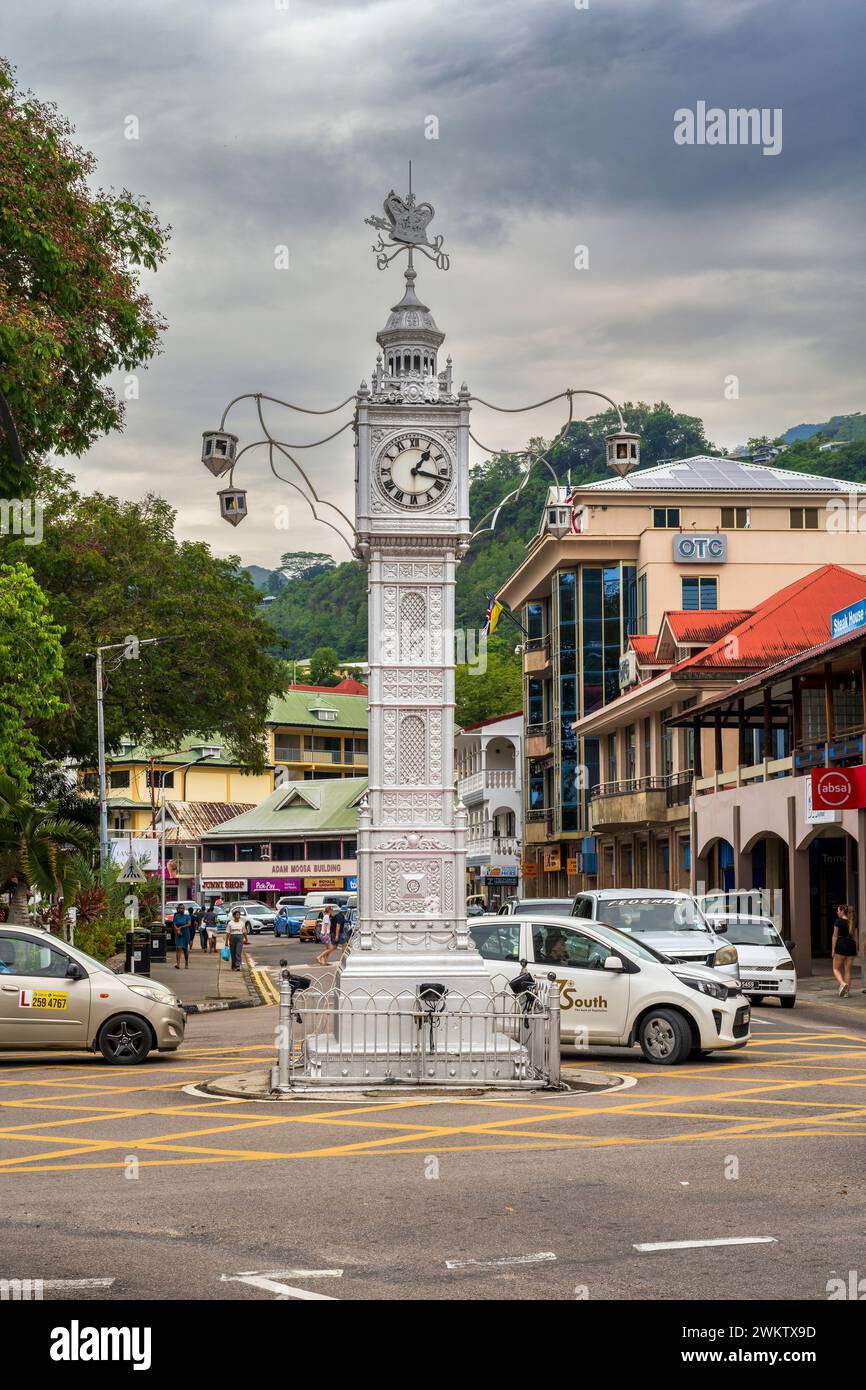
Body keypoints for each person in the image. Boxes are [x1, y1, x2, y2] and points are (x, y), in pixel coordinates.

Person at [831, 903, 858, 997]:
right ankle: (846, 993)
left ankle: (842, 983)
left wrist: (833, 949)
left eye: (838, 910)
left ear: (842, 911)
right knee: (847, 970)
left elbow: (834, 936)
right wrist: (856, 949)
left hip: (841, 944)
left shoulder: (838, 922)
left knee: (835, 968)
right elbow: (855, 937)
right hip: (851, 946)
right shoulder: (853, 922)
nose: (837, 912)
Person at [173, 906, 192, 970]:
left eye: (183, 908)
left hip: (185, 934)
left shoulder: (187, 916)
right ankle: (178, 964)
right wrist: (177, 930)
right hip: (178, 934)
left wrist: (181, 927)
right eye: (180, 908)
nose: (182, 909)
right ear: (178, 909)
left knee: (185, 949)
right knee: (178, 948)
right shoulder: (176, 916)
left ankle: (186, 963)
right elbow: (174, 924)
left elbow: (189, 924)